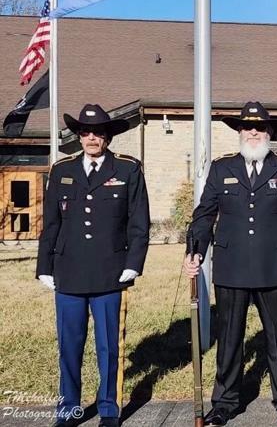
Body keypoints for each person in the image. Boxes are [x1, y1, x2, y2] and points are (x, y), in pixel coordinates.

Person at [183, 101, 277, 426]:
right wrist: (195, 248)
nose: (253, 132)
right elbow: (204, 214)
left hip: (274, 265)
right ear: (239, 132)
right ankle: (225, 403)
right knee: (229, 337)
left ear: (270, 132)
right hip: (232, 267)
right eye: (247, 127)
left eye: (259, 127)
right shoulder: (221, 169)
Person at [37, 104, 150, 427]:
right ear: (78, 136)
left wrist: (133, 264)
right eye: (85, 132)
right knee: (69, 346)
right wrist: (44, 266)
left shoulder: (127, 170)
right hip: (68, 272)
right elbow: (52, 223)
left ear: (108, 136)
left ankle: (109, 409)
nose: (91, 138)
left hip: (109, 272)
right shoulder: (62, 171)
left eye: (98, 132)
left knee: (108, 346)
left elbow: (138, 224)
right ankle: (69, 407)